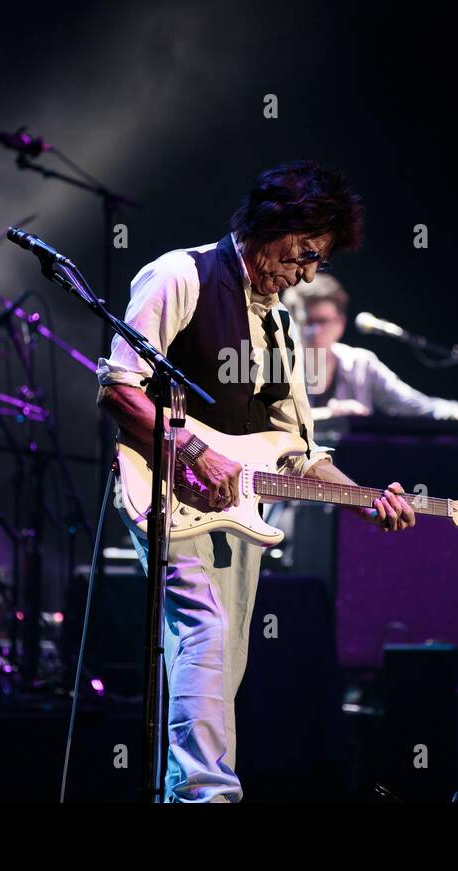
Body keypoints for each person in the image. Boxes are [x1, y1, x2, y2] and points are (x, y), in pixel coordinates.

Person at [96, 161, 417, 802]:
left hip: (236, 506)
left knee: (224, 656)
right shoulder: (179, 275)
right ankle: (205, 795)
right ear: (275, 225)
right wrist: (189, 450)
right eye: (305, 254)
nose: (306, 274)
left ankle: (184, 790)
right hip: (162, 488)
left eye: (316, 263)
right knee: (206, 632)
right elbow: (116, 390)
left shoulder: (279, 325)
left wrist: (363, 499)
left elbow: (296, 451)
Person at [281, 274, 458, 422]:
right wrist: (331, 417)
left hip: (344, 485)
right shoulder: (275, 362)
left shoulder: (361, 364)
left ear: (341, 323)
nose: (314, 331)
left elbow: (420, 407)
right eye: (306, 322)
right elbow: (259, 423)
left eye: (322, 321)